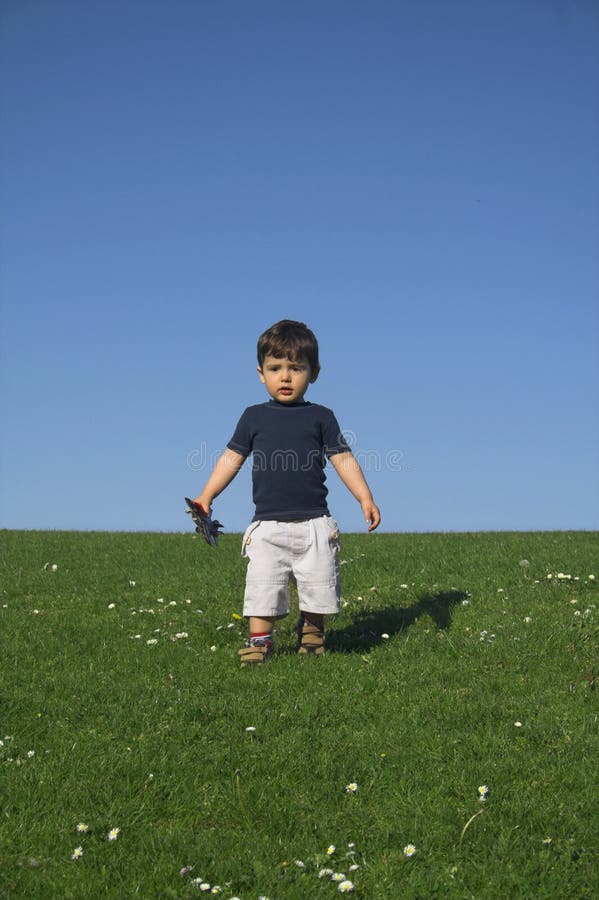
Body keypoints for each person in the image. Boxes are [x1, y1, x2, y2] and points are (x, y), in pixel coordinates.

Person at [193, 319, 381, 665]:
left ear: (314, 372)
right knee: (263, 584)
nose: (285, 376)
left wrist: (364, 497)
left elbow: (343, 459)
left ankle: (311, 633)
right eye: (275, 368)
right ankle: (260, 642)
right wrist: (207, 496)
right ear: (260, 373)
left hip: (314, 523)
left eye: (296, 368)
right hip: (267, 526)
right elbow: (231, 459)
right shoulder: (253, 417)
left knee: (318, 582)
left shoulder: (321, 417)